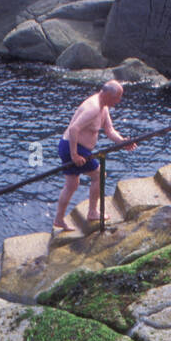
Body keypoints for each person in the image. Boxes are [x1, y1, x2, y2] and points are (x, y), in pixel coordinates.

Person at [53, 80, 137, 232]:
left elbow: (110, 130)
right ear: (105, 94)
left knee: (72, 185)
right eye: (116, 98)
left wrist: (123, 142)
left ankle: (59, 219)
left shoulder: (103, 108)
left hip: (71, 146)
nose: (118, 101)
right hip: (72, 147)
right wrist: (74, 155)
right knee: (99, 175)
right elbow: (73, 129)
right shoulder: (93, 108)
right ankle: (92, 212)